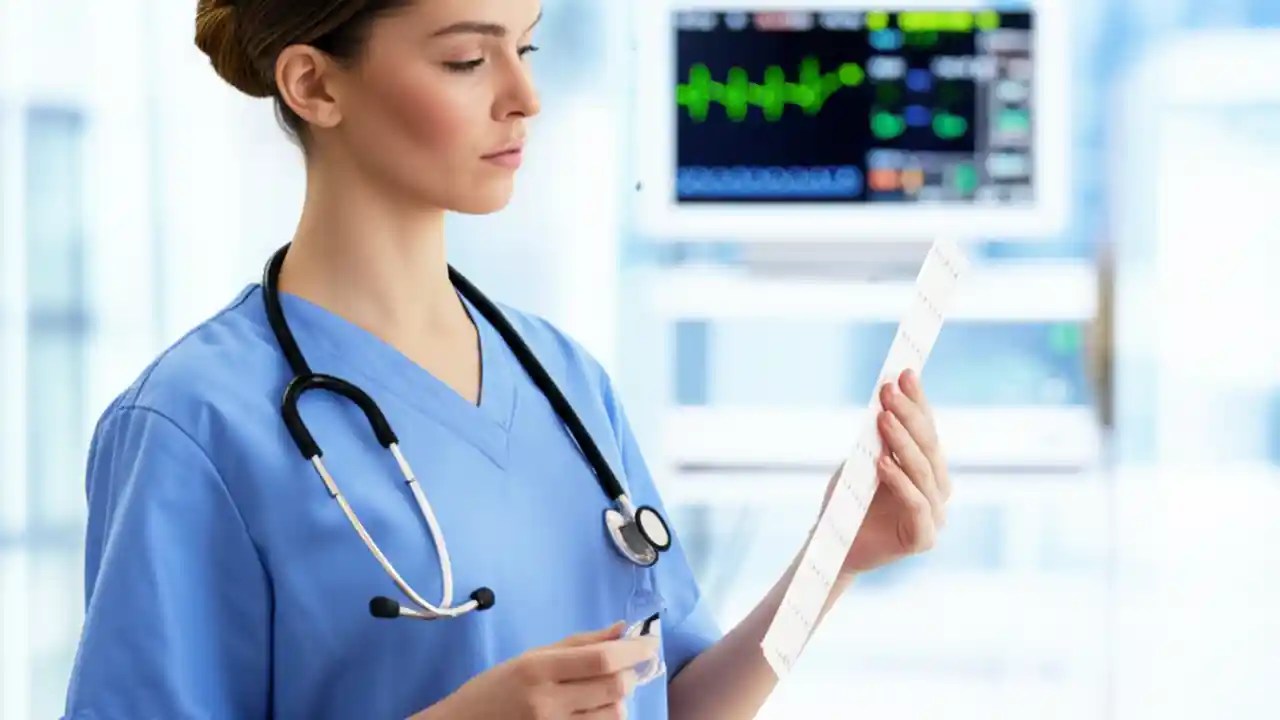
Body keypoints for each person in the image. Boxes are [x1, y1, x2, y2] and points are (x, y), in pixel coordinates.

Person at [61, 1, 954, 718]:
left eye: (528, 46)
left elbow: (669, 703)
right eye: (467, 59)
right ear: (312, 85)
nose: (525, 95)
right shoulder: (194, 426)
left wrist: (835, 559)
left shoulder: (563, 378)